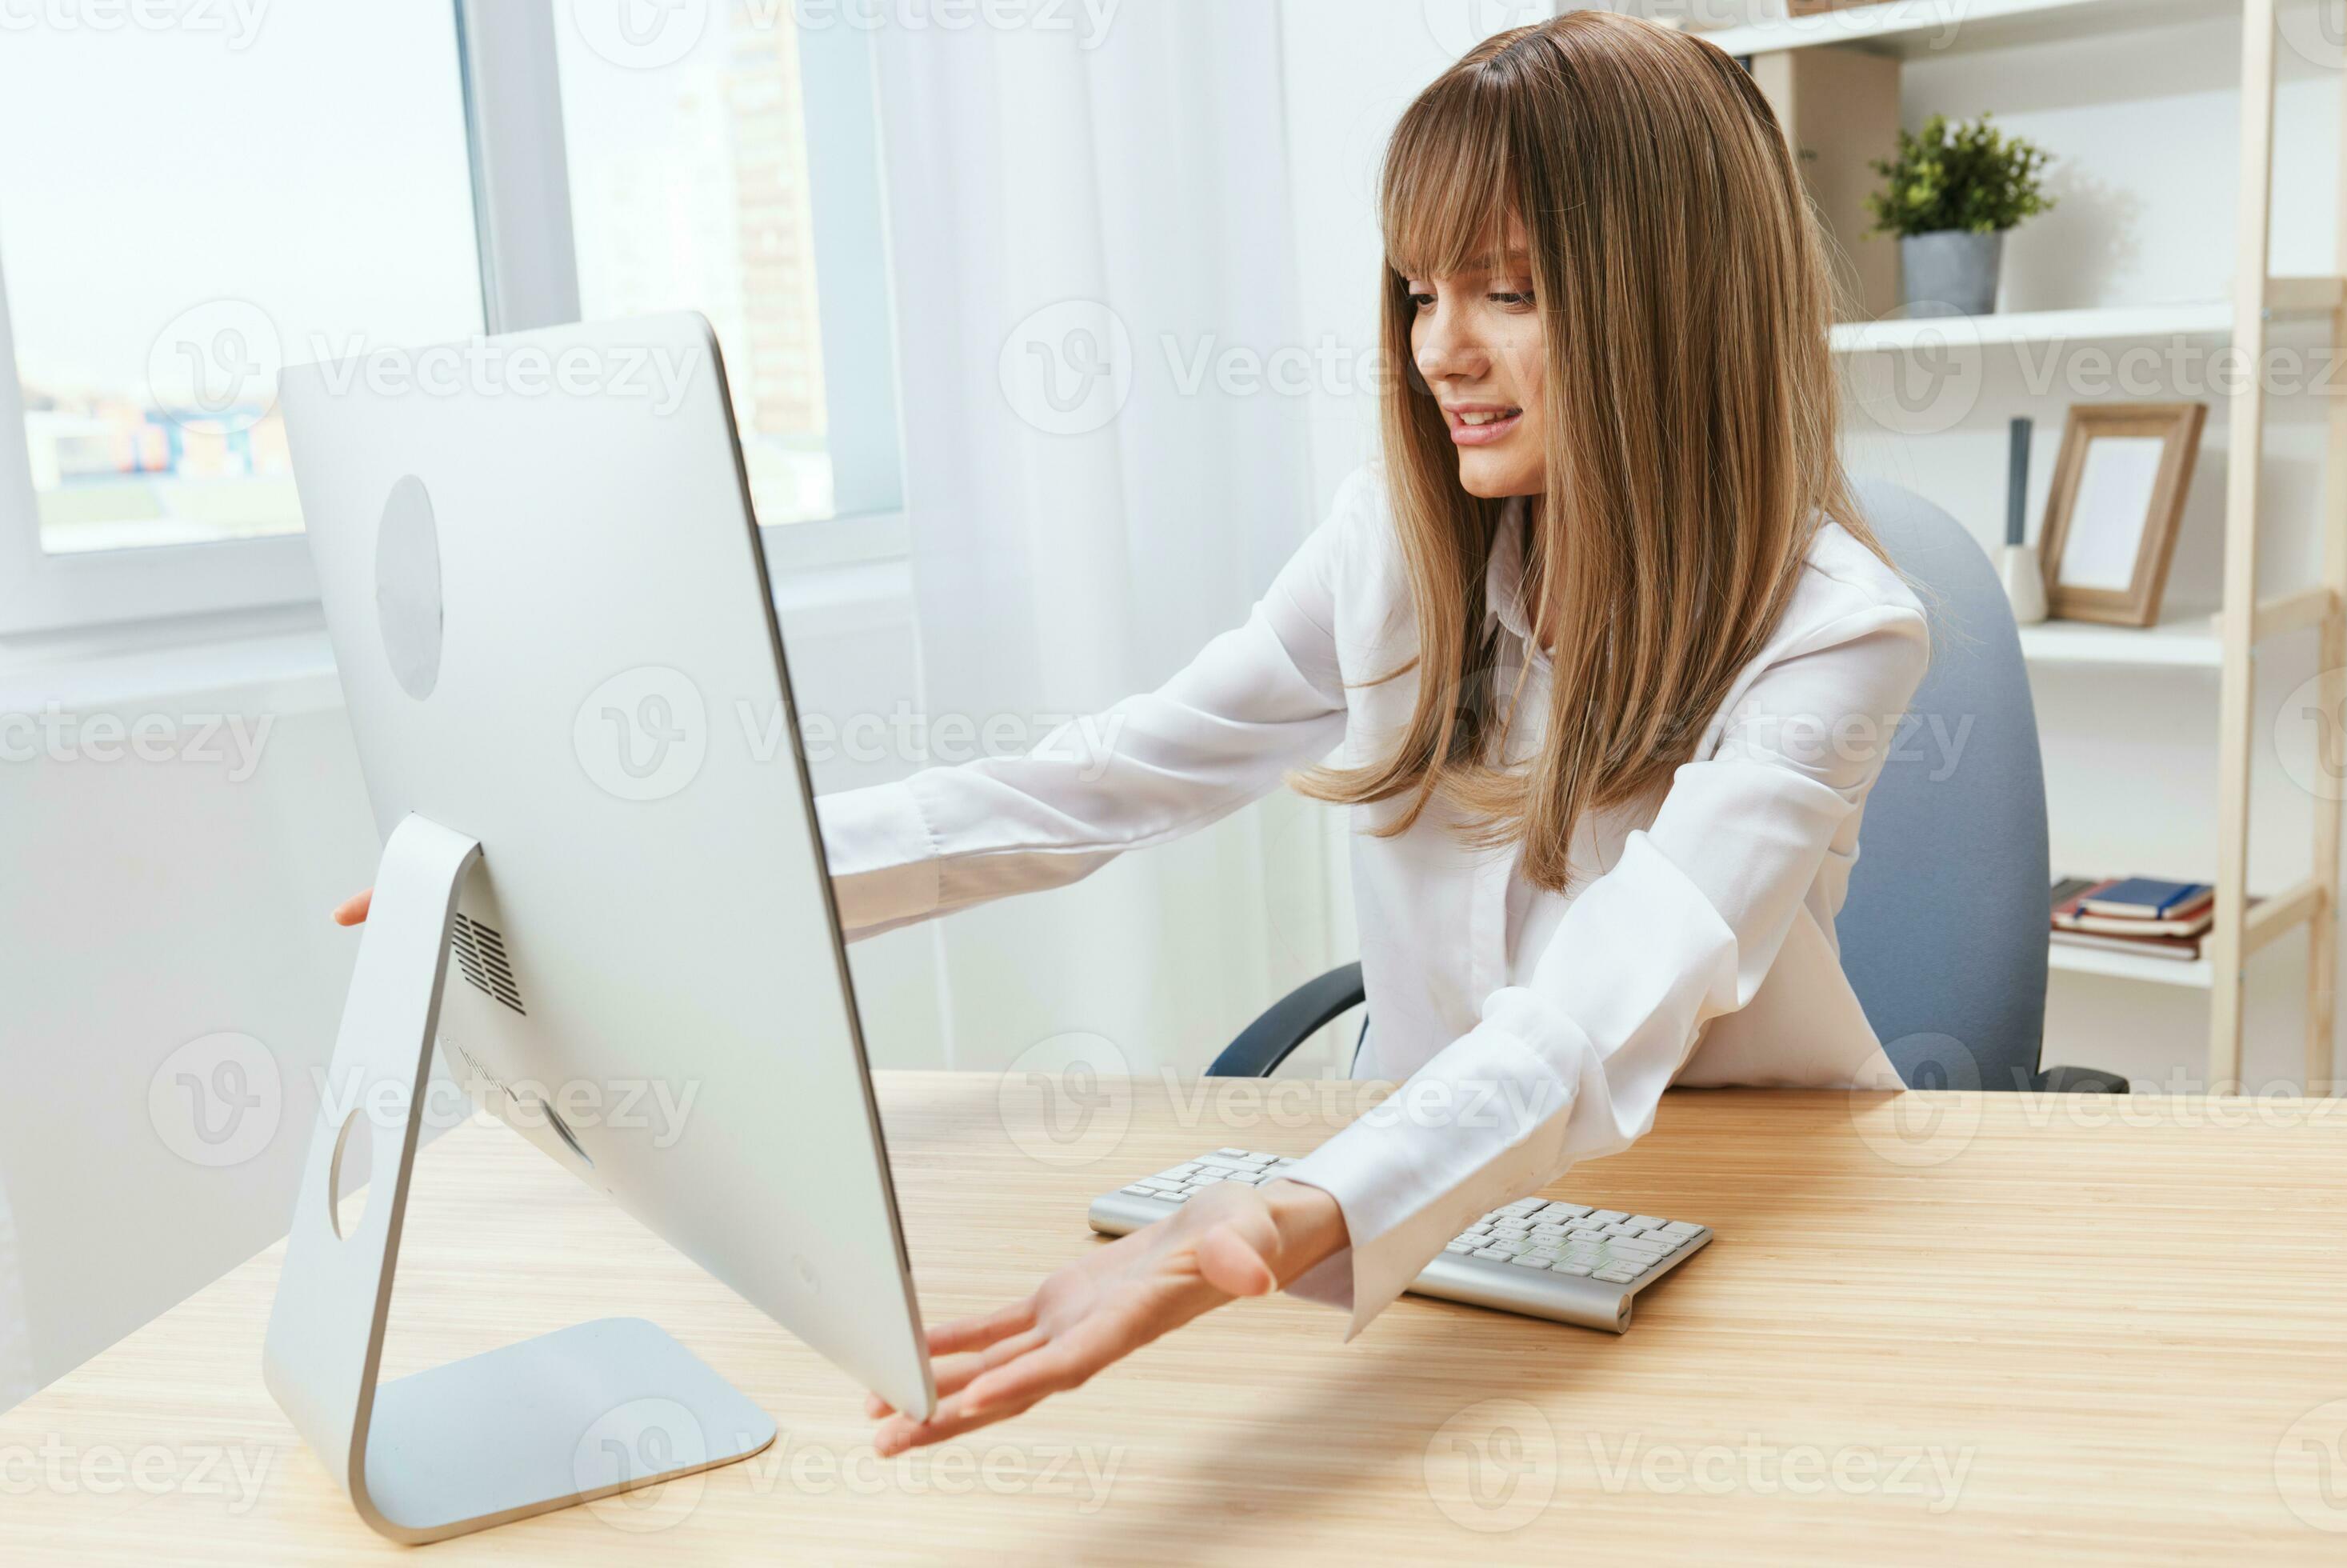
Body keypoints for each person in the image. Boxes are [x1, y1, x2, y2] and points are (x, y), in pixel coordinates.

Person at [336, 12, 1929, 1457]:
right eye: (1422, 288)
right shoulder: (1399, 545)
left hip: (1725, 1210)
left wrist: (1299, 1208)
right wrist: (648, 876)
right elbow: (1092, 784)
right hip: (1438, 1207)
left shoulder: (1835, 629)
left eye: (1508, 290)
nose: (1442, 348)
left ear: (1675, 308)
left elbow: (1593, 1012)